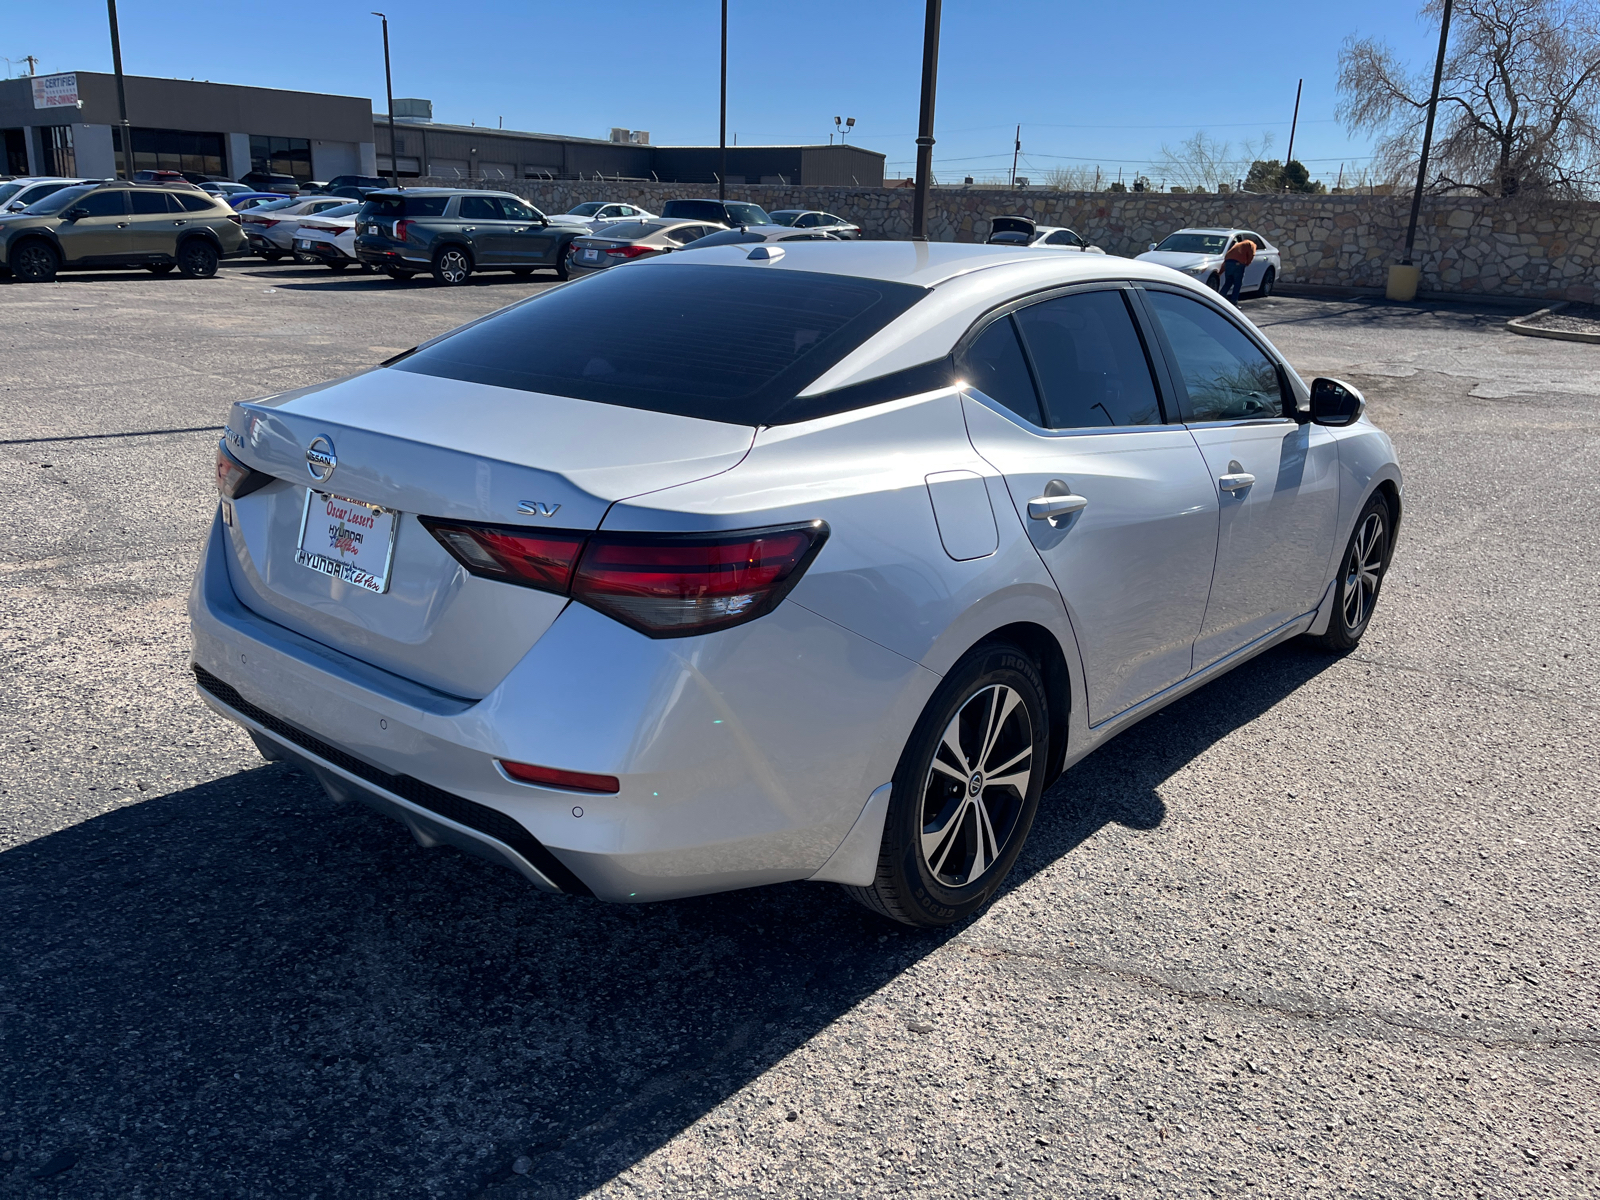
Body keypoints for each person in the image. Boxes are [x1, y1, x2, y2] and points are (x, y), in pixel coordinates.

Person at [1220, 235, 1256, 304]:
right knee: (1238, 284)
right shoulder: (1251, 244)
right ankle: (1234, 301)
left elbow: (1226, 260)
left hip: (1228, 262)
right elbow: (1251, 254)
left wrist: (1220, 272)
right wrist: (1247, 263)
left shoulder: (1238, 245)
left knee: (1228, 282)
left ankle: (1220, 298)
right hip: (1238, 264)